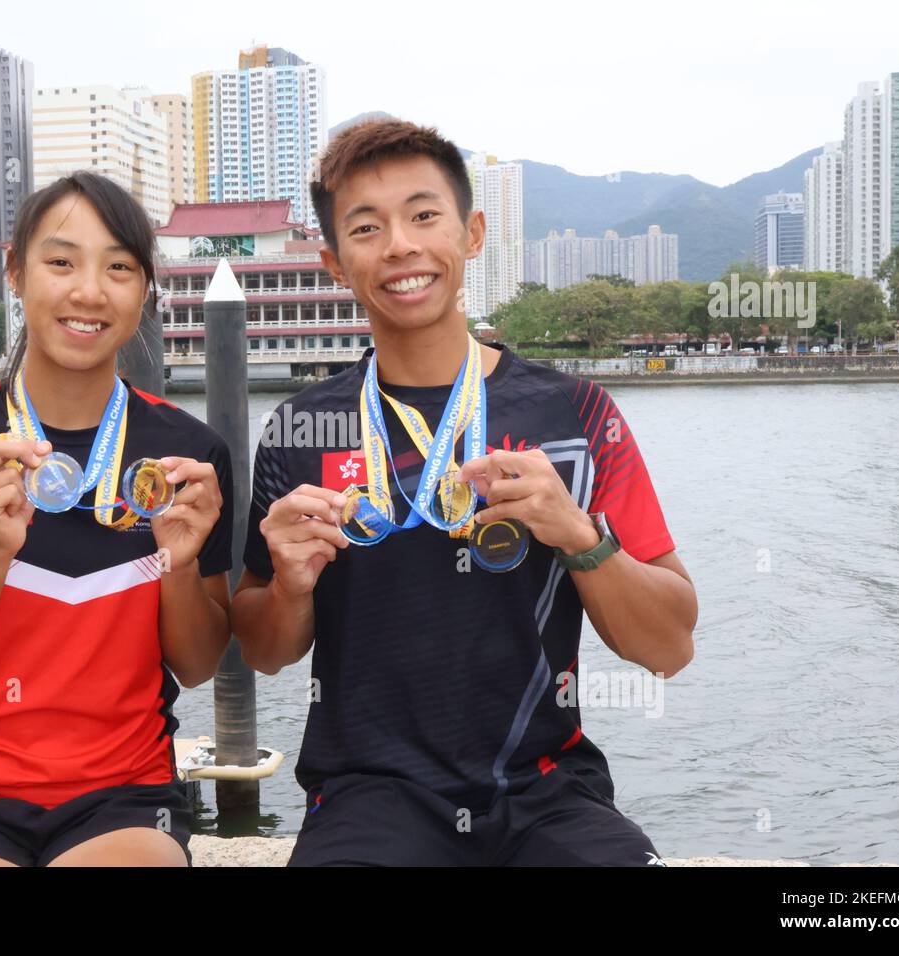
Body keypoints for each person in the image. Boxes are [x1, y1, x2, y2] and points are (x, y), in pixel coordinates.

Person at [231, 120, 698, 866]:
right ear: (334, 262)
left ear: (472, 233)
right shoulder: (300, 428)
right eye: (366, 227)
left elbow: (670, 647)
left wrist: (579, 536)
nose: (400, 247)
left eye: (423, 216)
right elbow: (263, 650)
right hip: (369, 793)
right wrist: (289, 585)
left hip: (546, 790)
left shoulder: (577, 414)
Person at [0, 172, 233, 867]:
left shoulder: (190, 454)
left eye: (119, 268)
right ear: (16, 272)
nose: (89, 292)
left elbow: (196, 663)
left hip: (125, 793)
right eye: (61, 262)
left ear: (146, 290)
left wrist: (180, 567)